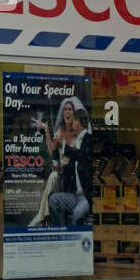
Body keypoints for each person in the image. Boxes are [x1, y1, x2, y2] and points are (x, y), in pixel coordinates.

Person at [34, 96, 93, 227]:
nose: (67, 111)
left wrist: (65, 149)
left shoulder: (84, 138)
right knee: (54, 186)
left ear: (76, 117)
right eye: (65, 109)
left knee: (77, 212)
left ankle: (46, 217)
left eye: (70, 109)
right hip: (70, 185)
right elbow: (53, 153)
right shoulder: (60, 131)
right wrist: (47, 132)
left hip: (84, 193)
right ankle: (60, 229)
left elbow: (79, 154)